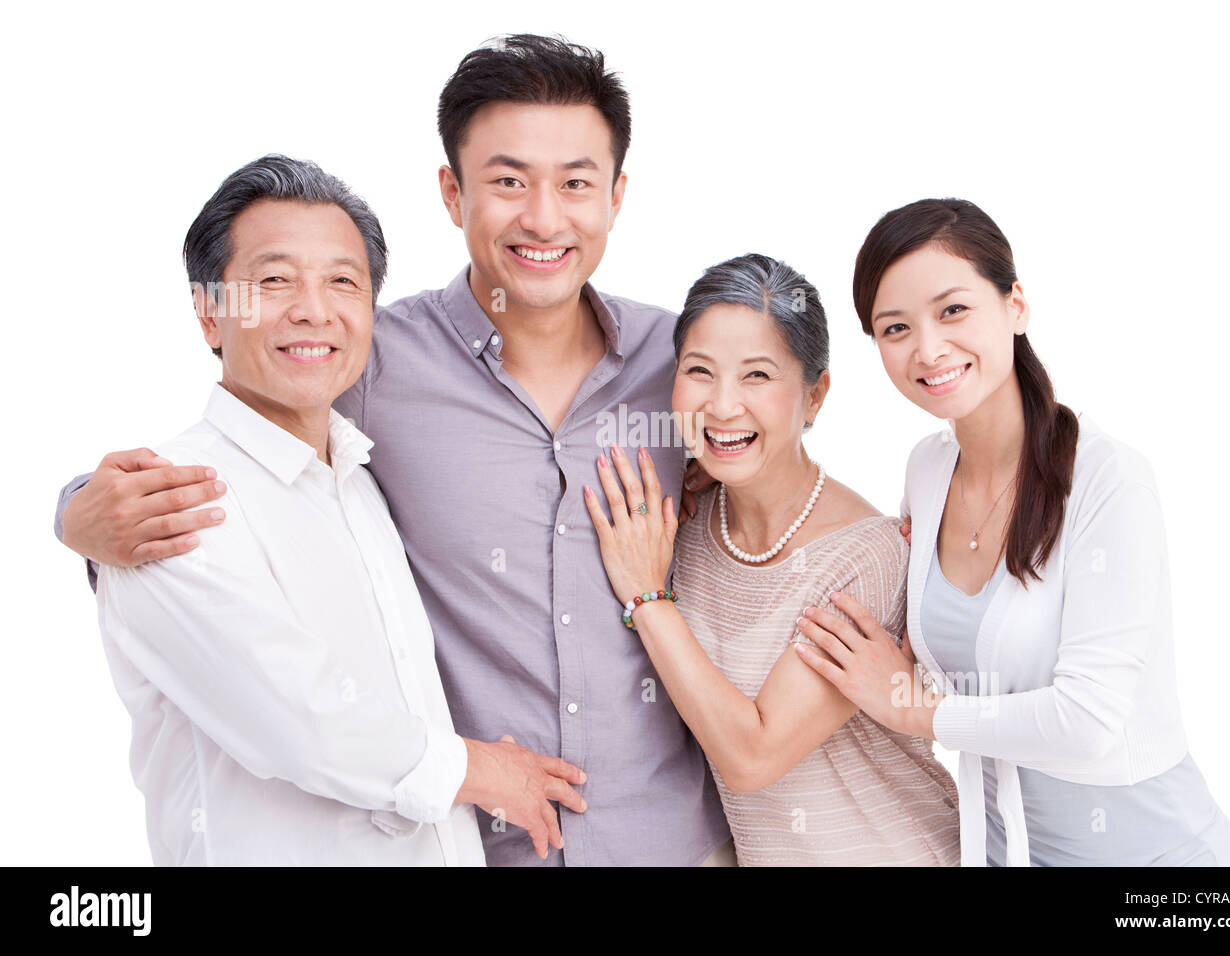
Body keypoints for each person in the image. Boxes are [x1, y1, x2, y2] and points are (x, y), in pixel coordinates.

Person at [54, 35, 731, 866]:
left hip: (671, 841)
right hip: (484, 843)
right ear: (452, 192)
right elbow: (248, 409)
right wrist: (78, 511)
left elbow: (789, 488)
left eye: (576, 183)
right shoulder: (377, 358)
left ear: (617, 196)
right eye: (508, 181)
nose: (545, 217)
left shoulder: (687, 366)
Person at [91, 154, 589, 865]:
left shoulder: (358, 477)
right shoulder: (165, 501)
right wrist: (477, 770)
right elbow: (294, 714)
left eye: (342, 283)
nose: (314, 310)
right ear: (209, 314)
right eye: (274, 280)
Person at [793, 198, 1230, 866]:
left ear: (1016, 305)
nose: (929, 348)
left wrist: (918, 711)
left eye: (953, 310)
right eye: (895, 328)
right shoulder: (928, 469)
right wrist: (724, 476)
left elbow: (1086, 721)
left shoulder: (1110, 480)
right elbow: (907, 614)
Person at [583, 254, 960, 865]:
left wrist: (647, 598)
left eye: (757, 376)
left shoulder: (869, 557)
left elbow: (752, 757)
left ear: (814, 395)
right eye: (699, 371)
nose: (724, 405)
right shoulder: (692, 524)